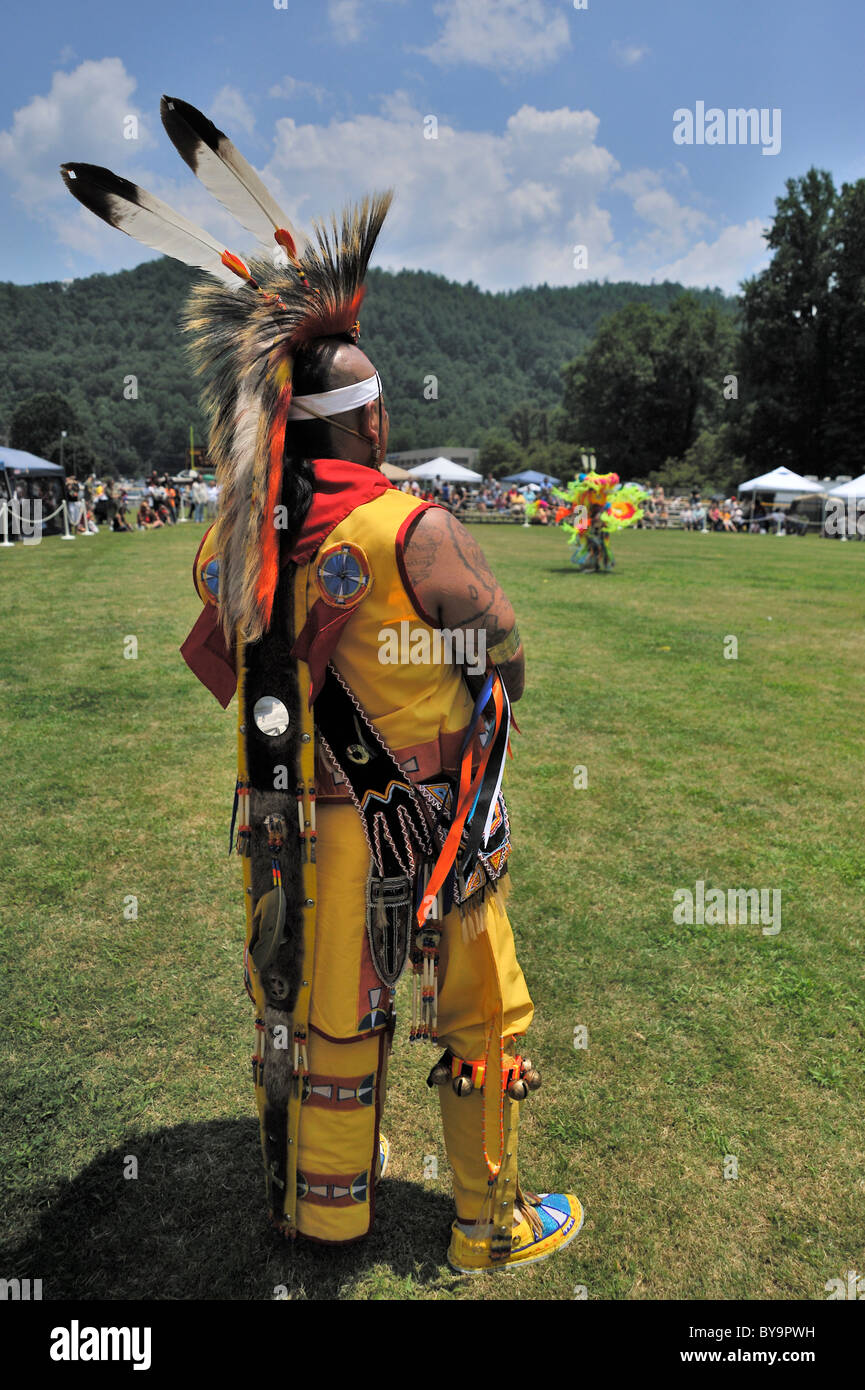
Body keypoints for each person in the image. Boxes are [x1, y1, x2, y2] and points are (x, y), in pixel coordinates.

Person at [63, 92, 582, 1274]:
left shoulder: (237, 533)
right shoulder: (420, 530)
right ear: (375, 416)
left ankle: (330, 1213)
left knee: (322, 1022)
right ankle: (488, 1226)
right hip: (431, 826)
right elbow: (506, 656)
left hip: (299, 835)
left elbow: (233, 668)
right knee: (481, 1014)